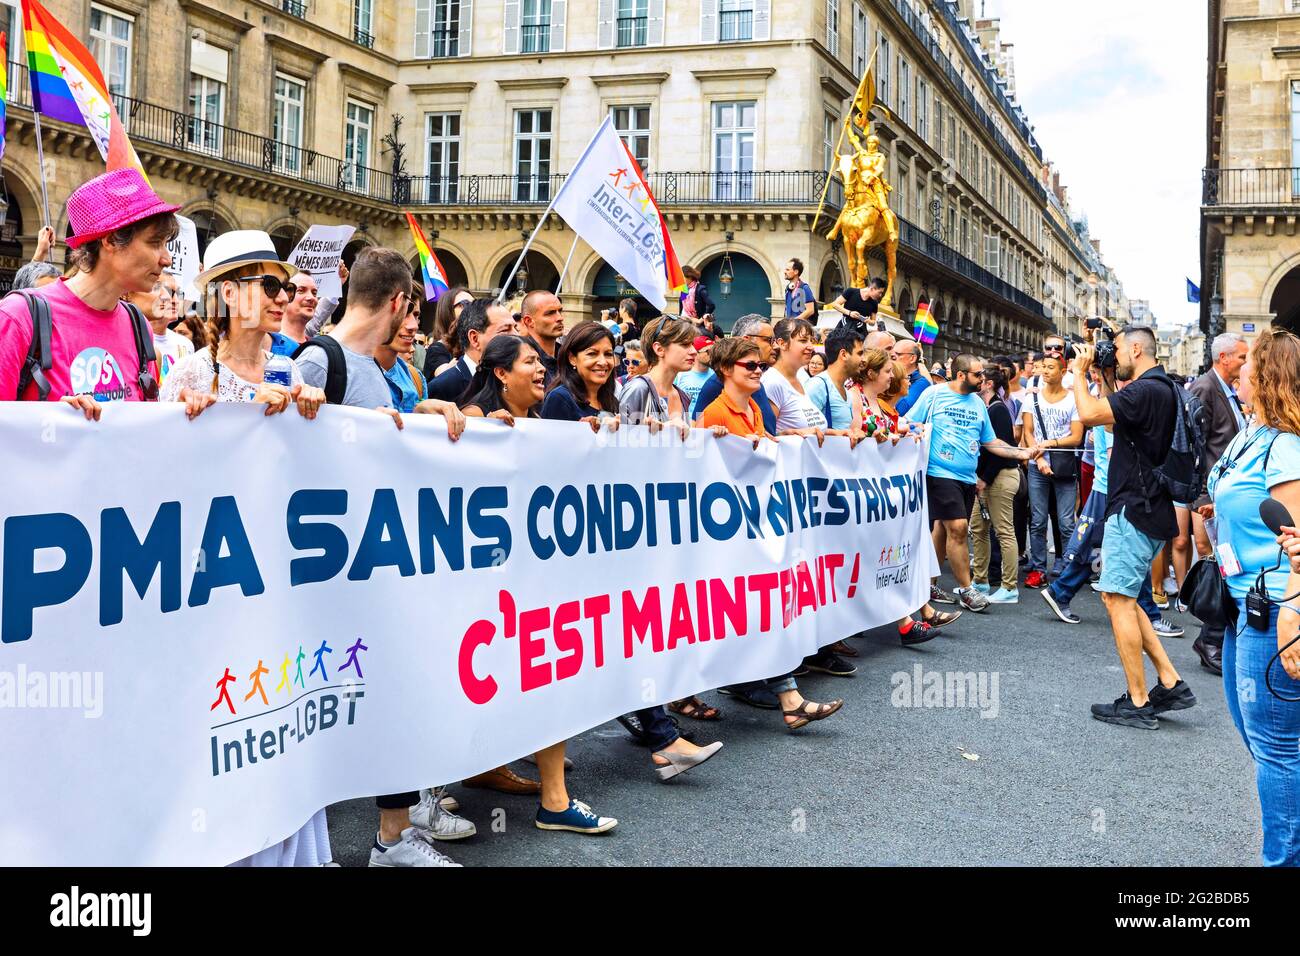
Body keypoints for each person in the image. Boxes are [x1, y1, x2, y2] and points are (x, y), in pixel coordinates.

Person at [156, 230, 332, 866]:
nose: (283, 297)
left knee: (279, 703)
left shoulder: (289, 368)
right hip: (216, 573)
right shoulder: (191, 371)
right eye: (270, 285)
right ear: (229, 294)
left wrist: (315, 410)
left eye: (284, 286)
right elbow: (152, 476)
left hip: (277, 569)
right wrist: (191, 420)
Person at [291, 246, 471, 865]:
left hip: (375, 562)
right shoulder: (322, 359)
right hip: (327, 570)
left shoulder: (377, 367)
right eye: (412, 308)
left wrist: (422, 412)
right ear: (398, 302)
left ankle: (392, 838)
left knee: (395, 693)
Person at [697, 336, 847, 727]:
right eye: (750, 365)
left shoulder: (752, 411)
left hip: (755, 529)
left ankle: (787, 699)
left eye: (760, 365)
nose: (758, 370)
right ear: (726, 370)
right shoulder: (714, 414)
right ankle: (784, 698)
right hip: (731, 534)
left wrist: (786, 439)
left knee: (763, 614)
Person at [1070, 327, 1196, 730]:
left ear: (1137, 349)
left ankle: (1139, 701)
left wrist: (1077, 372)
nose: (1115, 352)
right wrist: (1105, 377)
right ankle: (1170, 680)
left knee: (1118, 600)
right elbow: (1112, 424)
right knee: (1119, 596)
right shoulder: (1160, 387)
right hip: (1149, 505)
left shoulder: (1146, 391)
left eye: (1120, 347)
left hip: (1136, 507)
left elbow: (1090, 417)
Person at [1211, 331, 1300, 864]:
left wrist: (1293, 613)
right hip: (1239, 603)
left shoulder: (1287, 445)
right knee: (1262, 741)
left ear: (1266, 378)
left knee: (1277, 748)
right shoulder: (1252, 432)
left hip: (1271, 610)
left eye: (1248, 365)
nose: (1238, 370)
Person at [0, 168, 179, 414]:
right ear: (111, 240)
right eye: (155, 243)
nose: (166, 259)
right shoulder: (19, 317)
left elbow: (143, 431)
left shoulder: (139, 327)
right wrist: (50, 420)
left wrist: (185, 410)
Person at [1040, 368, 1183, 638]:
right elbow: (1114, 451)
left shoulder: (1113, 403)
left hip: (1112, 488)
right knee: (1123, 552)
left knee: (1105, 549)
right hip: (1112, 489)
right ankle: (1147, 614)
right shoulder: (1111, 406)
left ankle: (1061, 592)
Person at [904, 353, 1037, 613]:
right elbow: (908, 421)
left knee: (944, 529)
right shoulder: (934, 395)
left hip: (966, 478)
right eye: (977, 375)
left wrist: (1020, 453)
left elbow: (991, 441)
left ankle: (928, 583)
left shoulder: (977, 403)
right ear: (961, 374)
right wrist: (914, 432)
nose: (982, 379)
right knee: (958, 527)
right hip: (939, 472)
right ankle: (968, 589)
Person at [1188, 332, 1249, 675]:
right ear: (1224, 357)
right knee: (1221, 565)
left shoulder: (1230, 391)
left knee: (1228, 564)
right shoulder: (1205, 388)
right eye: (1241, 356)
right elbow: (1196, 447)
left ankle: (1214, 636)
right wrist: (1202, 496)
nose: (1244, 362)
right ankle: (1210, 637)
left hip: (1226, 494)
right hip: (1212, 496)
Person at [1020, 353, 1083, 589]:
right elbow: (1028, 432)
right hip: (1038, 466)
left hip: (1064, 466)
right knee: (1037, 521)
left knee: (1066, 521)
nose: (1045, 371)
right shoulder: (1032, 399)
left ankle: (1067, 568)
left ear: (1063, 371)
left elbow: (1076, 437)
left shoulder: (1072, 400)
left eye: (1051, 367)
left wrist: (1050, 444)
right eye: (1043, 367)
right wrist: (1039, 457)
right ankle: (1038, 569)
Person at [971, 364, 1021, 604]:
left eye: (980, 378)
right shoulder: (989, 408)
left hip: (1000, 477)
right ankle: (980, 580)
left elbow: (998, 450)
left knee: (1003, 531)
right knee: (978, 528)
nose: (977, 381)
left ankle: (1009, 586)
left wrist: (984, 479)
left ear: (988, 384)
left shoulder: (998, 410)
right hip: (988, 478)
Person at [693, 315, 778, 434]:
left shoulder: (754, 405)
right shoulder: (714, 386)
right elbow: (697, 433)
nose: (776, 346)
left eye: (761, 366)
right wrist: (710, 434)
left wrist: (783, 436)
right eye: (751, 366)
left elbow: (765, 433)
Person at [425, 298, 518, 402]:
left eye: (516, 328)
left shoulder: (519, 382)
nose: (517, 336)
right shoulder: (442, 388)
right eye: (505, 330)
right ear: (475, 339)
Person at [539, 319, 620, 426]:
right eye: (592, 354)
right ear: (572, 358)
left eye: (608, 354)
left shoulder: (612, 401)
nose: (603, 362)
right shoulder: (560, 398)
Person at [126, 270, 192, 391]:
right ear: (127, 293)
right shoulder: (131, 341)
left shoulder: (186, 344)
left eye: (178, 293)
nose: (174, 300)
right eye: (158, 288)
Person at [762, 318, 828, 436]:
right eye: (803, 341)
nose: (811, 347)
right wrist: (789, 434)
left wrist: (839, 433)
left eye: (811, 341)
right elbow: (766, 436)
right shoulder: (772, 382)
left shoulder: (801, 376)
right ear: (782, 343)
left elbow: (811, 429)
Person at [269, 262, 347, 356]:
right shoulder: (266, 344)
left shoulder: (315, 349)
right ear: (283, 295)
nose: (311, 298)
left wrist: (336, 285)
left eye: (314, 293)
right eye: (301, 291)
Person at [805, 325, 866, 436]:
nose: (864, 360)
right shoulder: (817, 385)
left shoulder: (846, 391)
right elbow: (804, 429)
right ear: (843, 354)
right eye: (860, 353)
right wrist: (838, 433)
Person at [378, 279, 426, 413]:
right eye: (403, 313)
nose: (414, 326)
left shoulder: (415, 377)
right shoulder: (349, 372)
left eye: (416, 315)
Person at [423, 286, 473, 380]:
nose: (472, 308)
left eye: (474, 304)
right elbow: (444, 375)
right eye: (465, 304)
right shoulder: (437, 349)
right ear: (448, 311)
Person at [518, 289, 565, 385]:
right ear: (529, 321)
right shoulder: (519, 358)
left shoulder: (568, 355)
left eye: (560, 311)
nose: (560, 318)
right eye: (550, 313)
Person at [674, 334, 715, 420]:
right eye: (708, 351)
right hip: (684, 426)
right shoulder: (680, 375)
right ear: (696, 353)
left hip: (705, 426)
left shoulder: (716, 376)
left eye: (714, 351)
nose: (713, 355)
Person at [890, 337, 931, 416]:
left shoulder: (922, 383)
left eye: (895, 356)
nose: (891, 361)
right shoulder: (889, 376)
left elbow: (901, 409)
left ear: (912, 358)